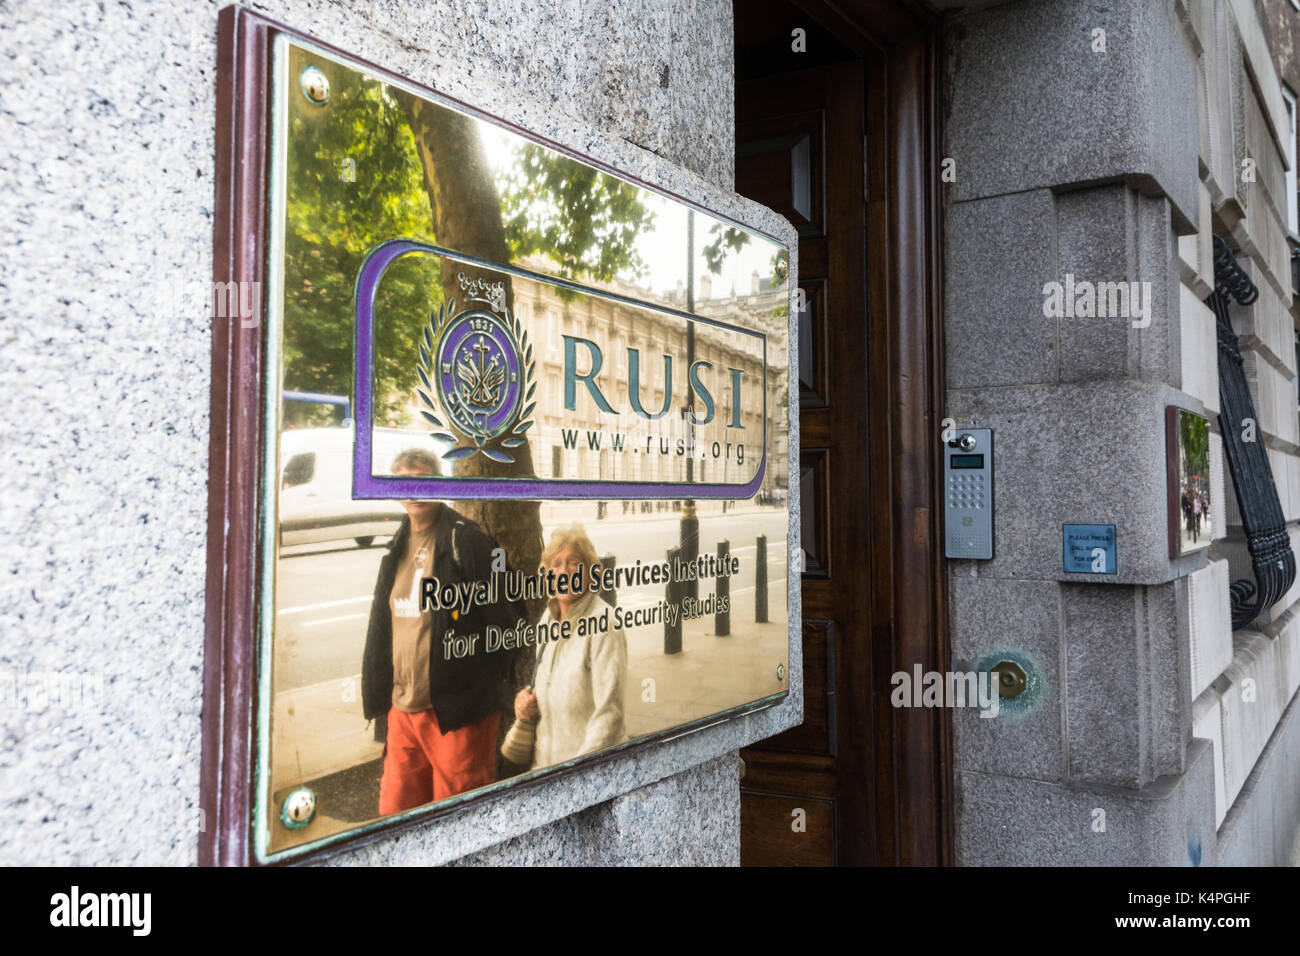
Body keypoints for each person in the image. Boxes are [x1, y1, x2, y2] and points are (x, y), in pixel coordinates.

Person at [361, 448, 524, 815]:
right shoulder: (395, 548)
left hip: (457, 715)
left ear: (438, 483)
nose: (414, 490)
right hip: (403, 711)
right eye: (404, 480)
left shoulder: (466, 540)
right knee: (396, 816)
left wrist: (478, 689)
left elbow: (508, 622)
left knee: (456, 818)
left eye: (421, 479)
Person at [513, 525, 627, 768]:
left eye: (573, 563)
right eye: (556, 564)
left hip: (586, 773)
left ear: (590, 572)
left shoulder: (603, 623)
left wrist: (574, 774)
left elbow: (609, 715)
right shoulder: (548, 618)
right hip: (545, 768)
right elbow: (551, 681)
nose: (564, 571)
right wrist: (526, 701)